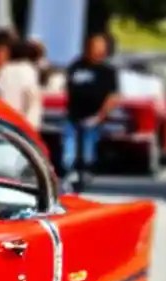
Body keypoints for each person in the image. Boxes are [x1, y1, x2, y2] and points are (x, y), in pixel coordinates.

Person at [62, 32, 120, 189]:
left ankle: (87, 171)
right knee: (69, 145)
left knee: (88, 147)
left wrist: (101, 115)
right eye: (93, 46)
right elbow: (68, 87)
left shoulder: (107, 71)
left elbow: (113, 96)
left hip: (94, 116)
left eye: (99, 47)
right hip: (73, 115)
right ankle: (70, 171)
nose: (95, 50)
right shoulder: (76, 66)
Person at [0, 37, 43, 130]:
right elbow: (32, 100)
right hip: (22, 125)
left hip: (3, 122)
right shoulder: (29, 71)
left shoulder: (5, 70)